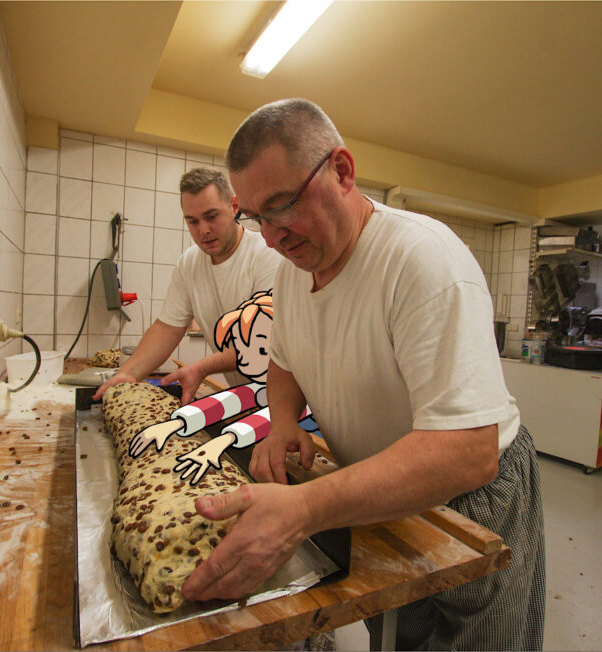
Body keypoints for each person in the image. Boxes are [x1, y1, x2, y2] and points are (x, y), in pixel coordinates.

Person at [180, 99, 545, 651]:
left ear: (342, 172)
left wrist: (303, 508)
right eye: (257, 217)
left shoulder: (422, 260)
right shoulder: (292, 272)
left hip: (477, 497)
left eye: (282, 206)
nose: (272, 237)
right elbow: (284, 359)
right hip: (376, 486)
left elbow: (469, 450)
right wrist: (282, 423)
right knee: (401, 635)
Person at [93, 168, 282, 404]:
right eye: (192, 221)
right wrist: (126, 375)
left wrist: (201, 368)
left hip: (295, 402)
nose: (203, 230)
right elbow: (167, 328)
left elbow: (261, 342)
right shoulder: (189, 263)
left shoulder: (266, 256)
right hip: (251, 397)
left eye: (212, 216)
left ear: (234, 206)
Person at [128, 291, 314, 486]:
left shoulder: (307, 385)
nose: (245, 362)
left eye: (261, 350)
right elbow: (233, 399)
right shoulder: (270, 381)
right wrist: (174, 424)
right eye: (242, 351)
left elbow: (269, 418)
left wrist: (219, 443)